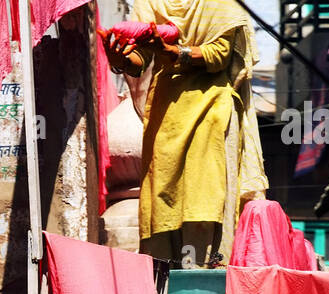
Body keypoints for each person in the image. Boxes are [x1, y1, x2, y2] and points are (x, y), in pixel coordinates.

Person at [104, 0, 268, 269]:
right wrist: (119, 59)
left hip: (212, 111)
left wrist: (176, 53)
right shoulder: (149, 3)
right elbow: (140, 60)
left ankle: (204, 280)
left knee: (204, 202)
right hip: (165, 113)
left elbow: (219, 55)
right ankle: (163, 285)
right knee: (160, 204)